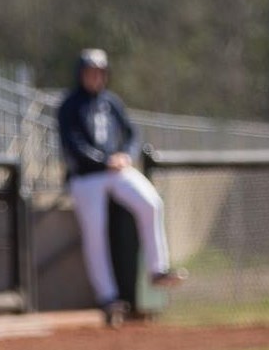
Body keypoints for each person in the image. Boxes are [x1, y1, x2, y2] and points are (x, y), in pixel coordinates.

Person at [57, 48, 186, 327]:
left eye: (100, 72)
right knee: (95, 233)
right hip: (87, 177)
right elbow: (73, 144)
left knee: (151, 203)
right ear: (80, 74)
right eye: (90, 72)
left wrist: (125, 155)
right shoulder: (69, 104)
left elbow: (131, 133)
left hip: (116, 170)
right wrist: (104, 160)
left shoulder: (110, 101)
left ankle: (157, 269)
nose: (96, 77)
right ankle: (108, 298)